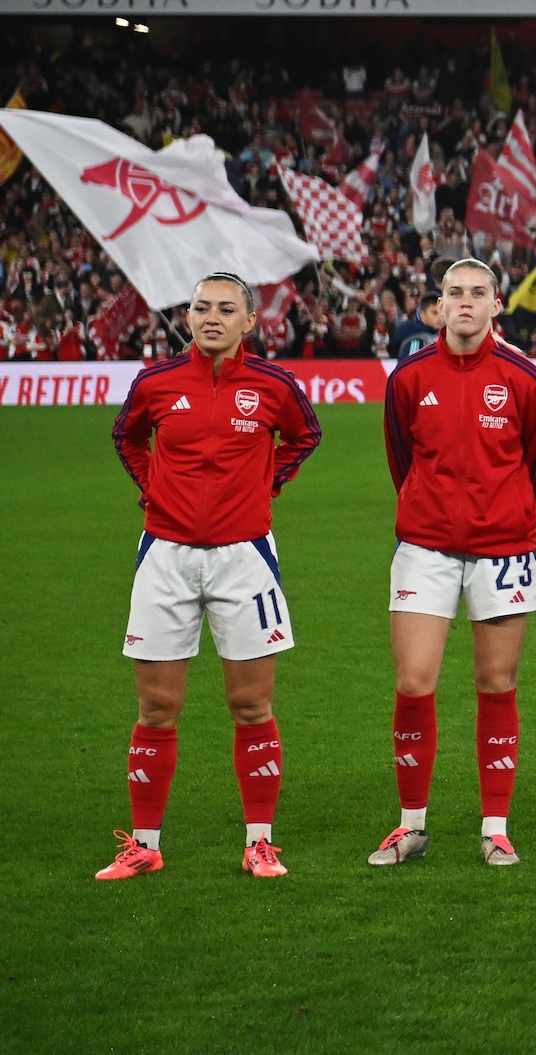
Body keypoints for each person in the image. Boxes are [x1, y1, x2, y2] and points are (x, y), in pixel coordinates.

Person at [98, 273, 322, 881]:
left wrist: (265, 484)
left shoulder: (275, 385)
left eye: (227, 309)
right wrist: (155, 490)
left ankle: (260, 843)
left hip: (245, 557)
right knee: (156, 706)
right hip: (165, 554)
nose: (212, 317)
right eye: (201, 308)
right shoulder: (156, 382)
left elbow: (305, 437)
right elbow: (128, 438)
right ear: (188, 317)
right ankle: (143, 844)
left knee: (251, 704)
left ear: (250, 321)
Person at [368, 258, 536, 868]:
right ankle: (411, 826)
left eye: (479, 294)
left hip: (503, 550)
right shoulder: (410, 376)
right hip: (425, 547)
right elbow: (402, 457)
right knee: (413, 681)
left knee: (496, 683)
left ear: (497, 304)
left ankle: (495, 827)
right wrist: (431, 513)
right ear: (438, 306)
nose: (467, 303)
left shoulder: (524, 378)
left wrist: (505, 516)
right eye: (456, 294)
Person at [391, 290, 443, 358]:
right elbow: (409, 366)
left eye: (441, 312)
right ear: (422, 314)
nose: (439, 317)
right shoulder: (416, 339)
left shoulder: (442, 336)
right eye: (434, 313)